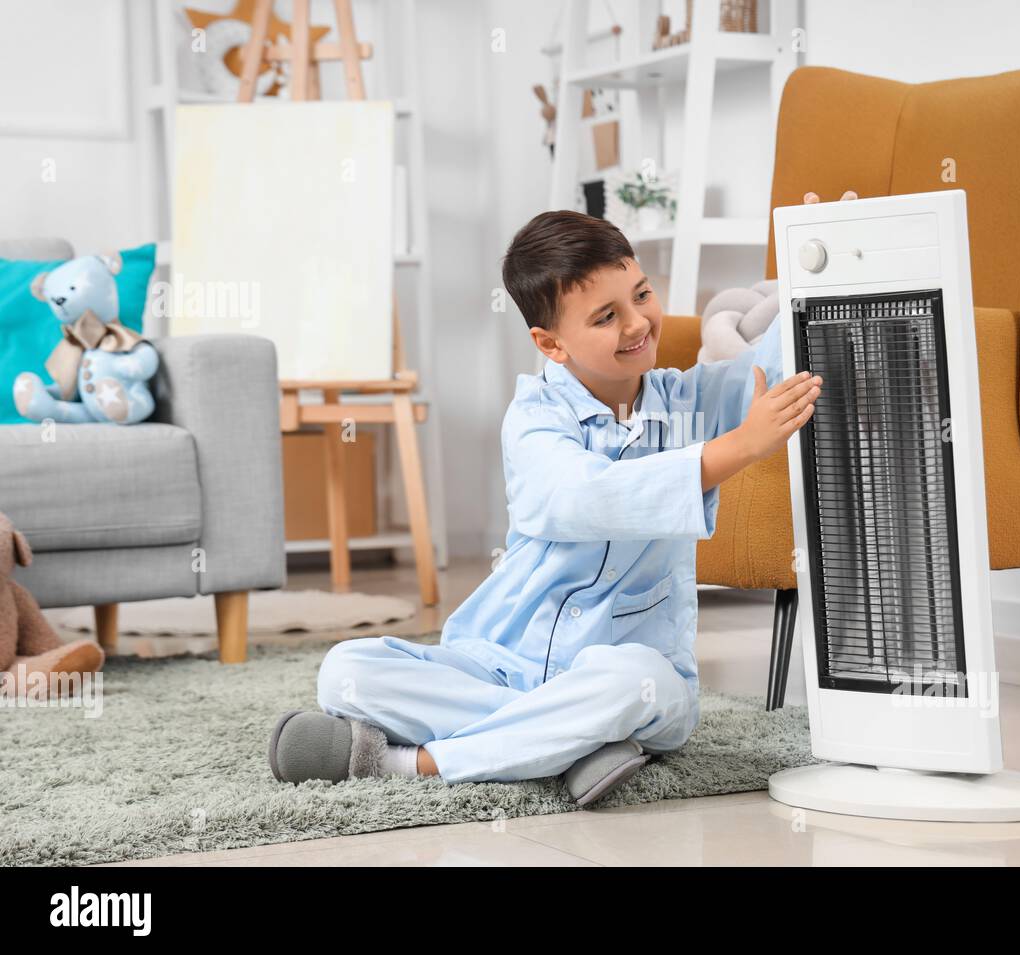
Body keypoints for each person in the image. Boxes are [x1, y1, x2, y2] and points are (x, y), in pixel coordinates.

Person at [266, 194, 850, 805]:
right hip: (499, 660)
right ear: (551, 344)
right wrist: (735, 450)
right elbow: (584, 499)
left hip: (632, 675)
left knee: (635, 684)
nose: (638, 324)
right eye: (605, 317)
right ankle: (574, 742)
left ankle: (413, 765)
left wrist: (828, 262)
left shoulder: (690, 401)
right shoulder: (534, 421)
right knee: (347, 672)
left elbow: (780, 364)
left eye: (642, 295)